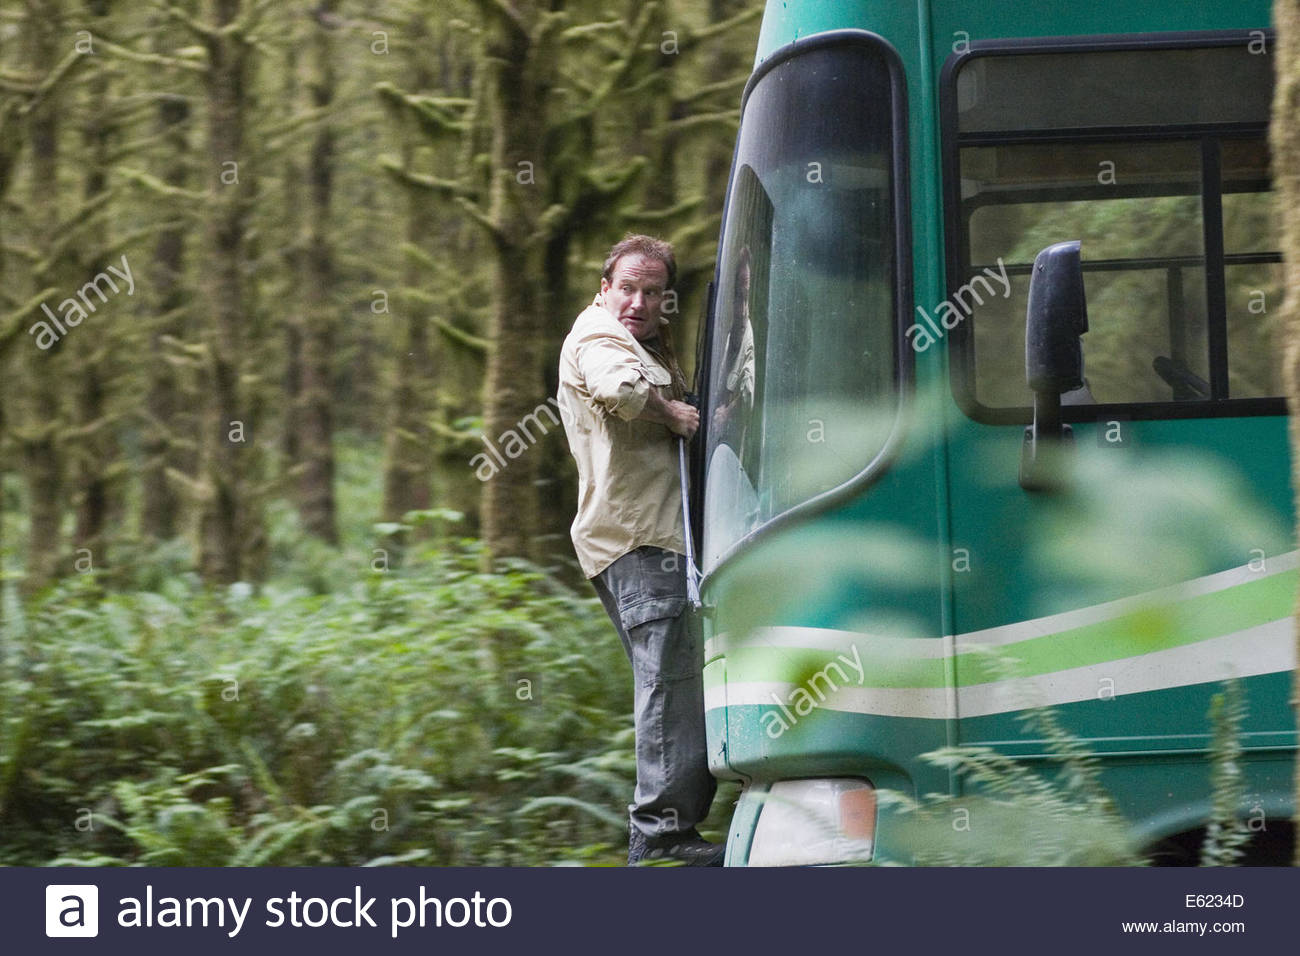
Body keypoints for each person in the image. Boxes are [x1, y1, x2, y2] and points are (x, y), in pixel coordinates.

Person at [556, 235, 722, 866]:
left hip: (655, 538)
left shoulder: (645, 343)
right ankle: (658, 840)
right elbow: (622, 392)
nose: (638, 301)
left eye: (653, 292)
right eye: (628, 287)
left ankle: (670, 833)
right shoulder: (598, 337)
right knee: (667, 684)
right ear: (605, 287)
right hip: (639, 539)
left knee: (678, 681)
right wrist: (672, 414)